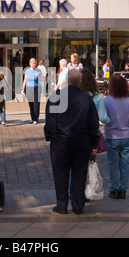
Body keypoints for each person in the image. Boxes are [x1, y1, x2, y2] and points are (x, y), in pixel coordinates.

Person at [45, 69, 99, 214]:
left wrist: (50, 136)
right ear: (80, 81)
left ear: (67, 81)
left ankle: (61, 205)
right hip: (81, 141)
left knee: (60, 173)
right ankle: (78, 205)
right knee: (79, 173)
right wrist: (94, 144)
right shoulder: (86, 98)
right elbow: (93, 123)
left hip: (60, 141)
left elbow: (50, 120)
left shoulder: (56, 97)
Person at [103, 75, 129, 199]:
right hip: (128, 136)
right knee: (125, 164)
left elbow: (103, 116)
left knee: (113, 164)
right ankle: (123, 189)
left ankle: (114, 189)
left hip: (111, 135)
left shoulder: (107, 100)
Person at [22, 58, 42, 124]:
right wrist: (23, 89)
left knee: (36, 104)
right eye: (33, 63)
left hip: (36, 88)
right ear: (30, 64)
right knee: (31, 104)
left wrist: (38, 76)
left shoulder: (38, 70)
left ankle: (36, 118)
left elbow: (42, 80)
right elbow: (25, 80)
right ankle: (32, 118)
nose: (34, 64)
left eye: (35, 63)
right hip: (29, 88)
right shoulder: (27, 71)